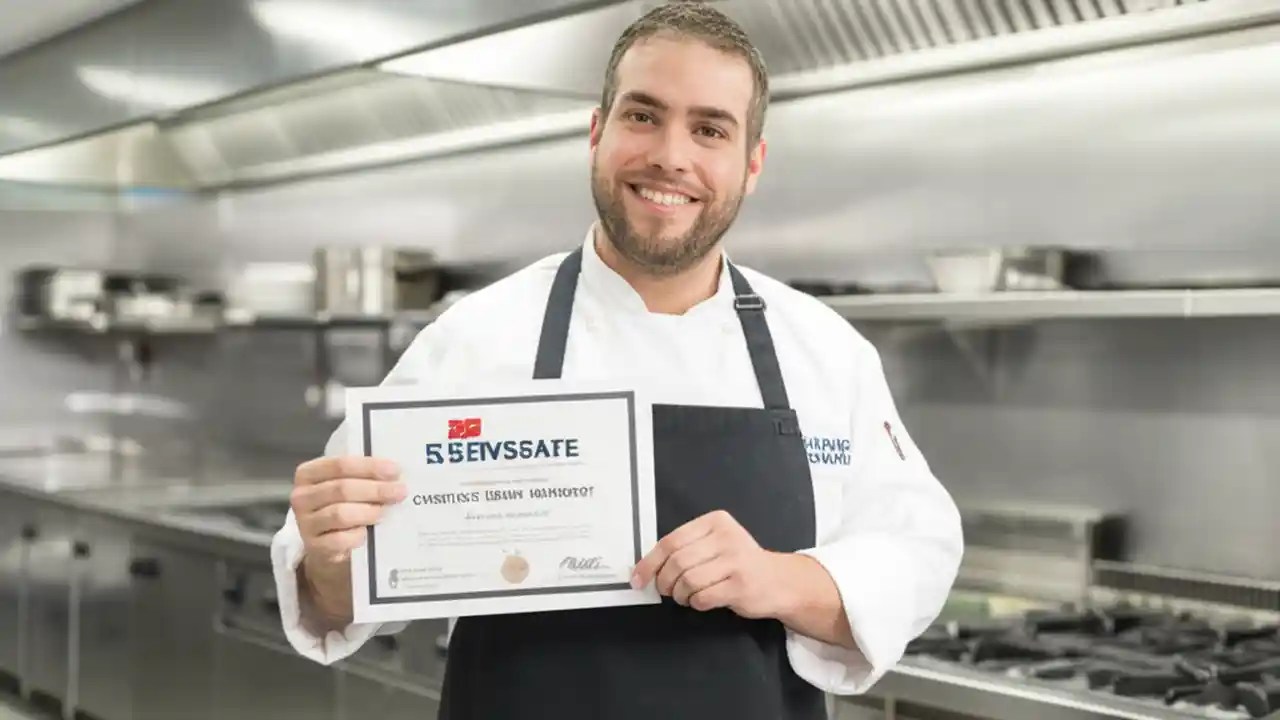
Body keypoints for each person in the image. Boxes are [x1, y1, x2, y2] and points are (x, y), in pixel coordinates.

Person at [271, 3, 963, 718]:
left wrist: (777, 579)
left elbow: (917, 553)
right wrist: (329, 556)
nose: (671, 155)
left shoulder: (824, 350)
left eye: (709, 129)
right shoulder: (475, 338)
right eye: (643, 116)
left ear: (751, 164)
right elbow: (343, 589)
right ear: (597, 134)